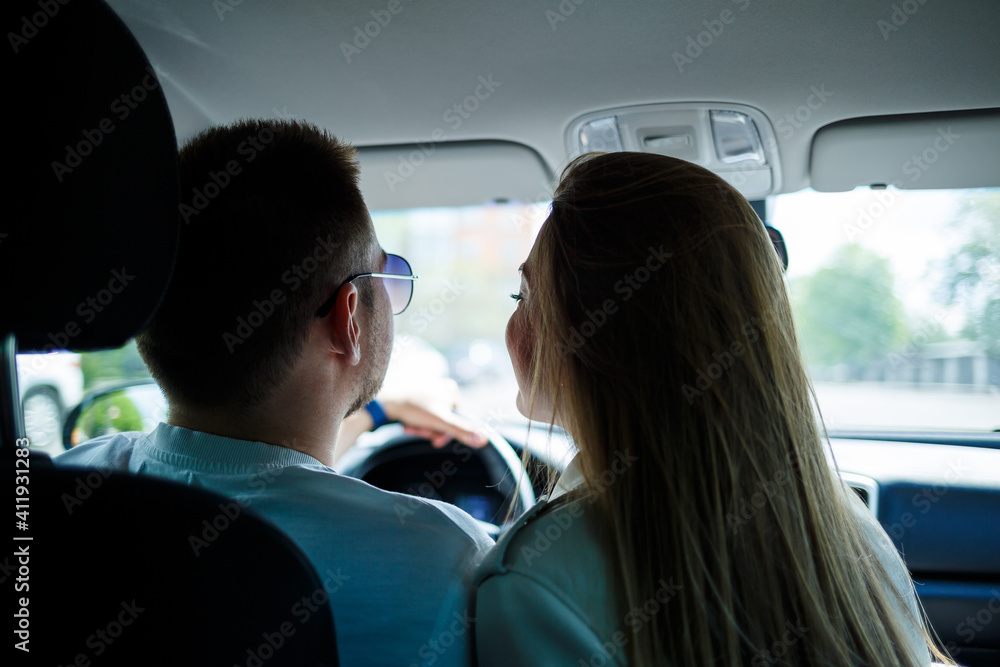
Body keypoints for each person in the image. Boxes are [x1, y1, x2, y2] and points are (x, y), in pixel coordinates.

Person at [474, 152, 953, 666]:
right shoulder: (844, 524)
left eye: (523, 296)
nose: (513, 326)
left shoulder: (537, 582)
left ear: (598, 337)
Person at [56, 119, 492, 667]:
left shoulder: (57, 497)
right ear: (350, 317)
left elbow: (247, 463)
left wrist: (379, 412)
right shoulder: (444, 557)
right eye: (387, 277)